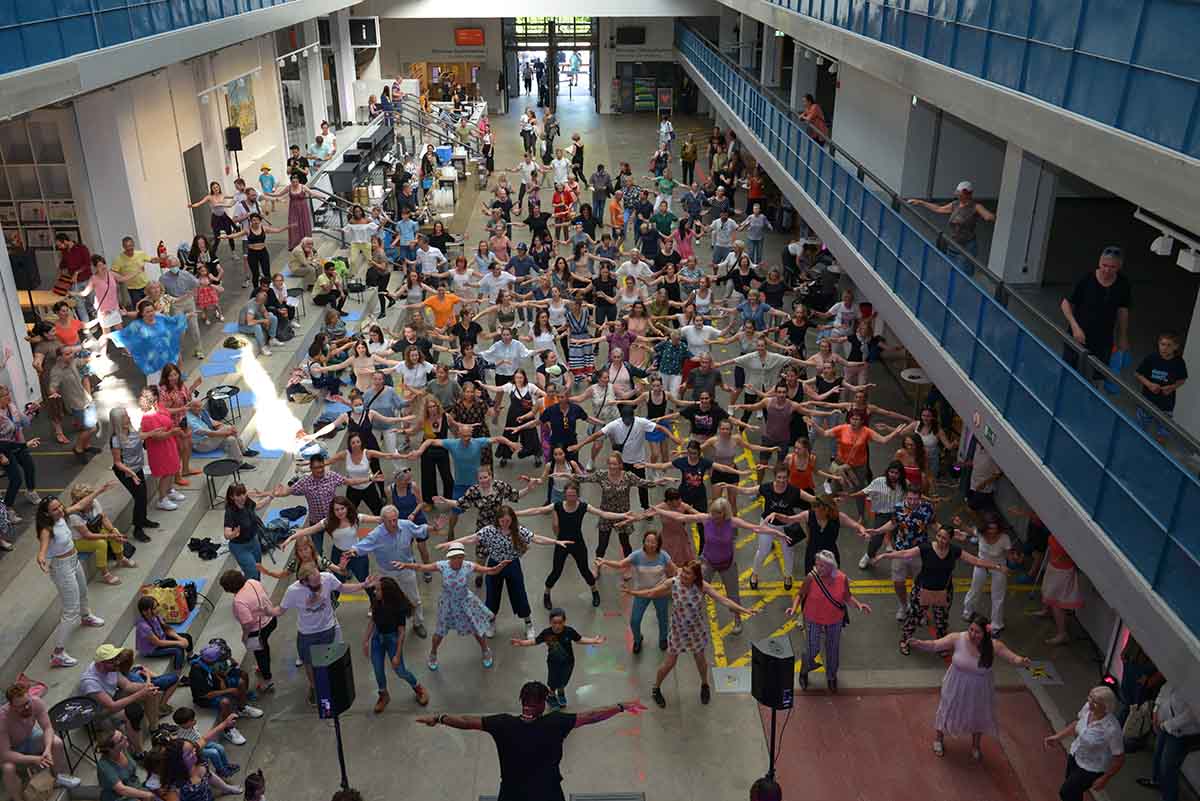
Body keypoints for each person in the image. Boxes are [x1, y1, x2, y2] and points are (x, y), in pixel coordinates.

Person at [416, 681, 639, 801]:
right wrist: (620, 706)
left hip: (512, 794)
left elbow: (466, 721)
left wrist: (438, 718)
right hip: (547, 793)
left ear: (522, 701)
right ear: (542, 704)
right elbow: (591, 716)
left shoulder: (502, 724)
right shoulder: (556, 723)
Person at [627, 559, 757, 707]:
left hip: (696, 631)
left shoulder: (702, 587)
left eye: (687, 573)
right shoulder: (674, 582)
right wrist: (633, 592)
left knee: (700, 661)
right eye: (683, 572)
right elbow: (651, 592)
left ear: (695, 576)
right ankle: (656, 688)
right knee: (669, 663)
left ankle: (705, 685)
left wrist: (744, 610)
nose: (683, 575)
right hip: (678, 631)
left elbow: (724, 600)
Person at [875, 523, 1008, 655]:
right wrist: (885, 556)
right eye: (938, 536)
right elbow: (905, 554)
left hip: (944, 592)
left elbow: (976, 561)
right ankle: (905, 640)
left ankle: (941, 645)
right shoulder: (926, 547)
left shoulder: (955, 551)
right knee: (914, 617)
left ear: (950, 539)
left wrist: (996, 567)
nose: (940, 540)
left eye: (944, 538)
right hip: (922, 590)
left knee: (941, 621)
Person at [438, 504, 563, 641]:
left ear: (512, 520)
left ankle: (528, 623)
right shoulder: (489, 531)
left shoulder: (517, 530)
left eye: (508, 521)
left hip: (512, 565)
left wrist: (556, 541)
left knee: (519, 593)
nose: (505, 524)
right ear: (497, 520)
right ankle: (491, 622)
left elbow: (535, 538)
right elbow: (471, 538)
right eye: (502, 521)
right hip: (494, 565)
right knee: (492, 595)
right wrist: (451, 544)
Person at [518, 481, 636, 609]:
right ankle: (547, 594)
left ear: (577, 495)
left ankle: (594, 591)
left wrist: (623, 515)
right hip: (561, 543)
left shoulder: (583, 507)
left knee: (584, 570)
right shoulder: (557, 506)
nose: (571, 498)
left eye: (573, 496)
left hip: (578, 543)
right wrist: (517, 514)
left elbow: (603, 514)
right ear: (564, 495)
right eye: (568, 496)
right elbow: (538, 510)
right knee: (556, 571)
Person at [392, 543, 509, 671]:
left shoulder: (468, 566)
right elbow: (421, 567)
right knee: (440, 632)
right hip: (447, 604)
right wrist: (406, 565)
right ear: (450, 557)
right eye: (455, 557)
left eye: (460, 557)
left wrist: (499, 567)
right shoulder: (443, 566)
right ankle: (433, 653)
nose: (458, 560)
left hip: (466, 602)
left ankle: (485, 650)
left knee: (476, 627)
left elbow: (490, 571)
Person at [36, 486, 113, 668]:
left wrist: (99, 490)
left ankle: (86, 616)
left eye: (60, 506)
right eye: (54, 509)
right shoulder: (46, 529)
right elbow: (43, 550)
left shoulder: (62, 516)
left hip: (73, 559)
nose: (60, 510)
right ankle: (58, 653)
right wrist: (41, 559)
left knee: (83, 591)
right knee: (70, 610)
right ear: (46, 514)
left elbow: (80, 504)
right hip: (61, 567)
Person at [279, 564, 377, 705]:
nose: (320, 585)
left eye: (320, 580)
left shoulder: (327, 578)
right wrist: (266, 612)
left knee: (330, 658)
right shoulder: (293, 591)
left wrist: (363, 585)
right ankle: (314, 687)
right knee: (309, 662)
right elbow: (280, 610)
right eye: (315, 583)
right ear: (304, 582)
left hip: (327, 628)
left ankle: (330, 683)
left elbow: (343, 588)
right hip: (307, 633)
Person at [786, 550, 871, 692]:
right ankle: (804, 670)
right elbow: (800, 595)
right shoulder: (811, 578)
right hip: (813, 618)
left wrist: (859, 605)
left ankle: (831, 676)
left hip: (834, 619)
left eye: (822, 566)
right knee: (812, 648)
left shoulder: (841, 579)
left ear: (832, 567)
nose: (817, 568)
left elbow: (847, 597)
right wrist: (793, 608)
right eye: (816, 565)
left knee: (833, 649)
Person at [596, 530, 676, 654]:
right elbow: (620, 564)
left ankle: (663, 638)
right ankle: (638, 639)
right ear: (643, 542)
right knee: (635, 620)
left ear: (658, 544)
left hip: (660, 592)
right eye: (648, 541)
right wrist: (605, 561)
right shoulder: (637, 555)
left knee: (662, 618)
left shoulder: (663, 556)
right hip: (641, 593)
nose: (650, 544)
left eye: (654, 542)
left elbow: (675, 570)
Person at [511, 608, 605, 709]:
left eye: (560, 622)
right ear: (550, 622)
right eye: (554, 623)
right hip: (553, 663)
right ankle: (551, 696)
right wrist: (522, 643)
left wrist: (593, 641)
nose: (557, 626)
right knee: (553, 682)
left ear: (564, 621)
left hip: (568, 663)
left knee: (564, 681)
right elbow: (535, 641)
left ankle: (561, 693)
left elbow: (580, 639)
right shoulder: (546, 633)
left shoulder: (569, 631)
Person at [0, 684, 82, 798]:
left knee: (56, 742)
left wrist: (47, 749)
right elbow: (5, 753)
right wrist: (34, 759)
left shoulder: (35, 702)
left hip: (30, 737)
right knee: (8, 769)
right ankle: (17, 798)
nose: (27, 707)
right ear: (12, 706)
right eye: (22, 706)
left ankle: (58, 776)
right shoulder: (2, 718)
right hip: (12, 749)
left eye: (27, 702)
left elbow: (48, 727)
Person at [1059, 245, 1131, 374]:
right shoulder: (1086, 279)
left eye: (1112, 267)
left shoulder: (1123, 284)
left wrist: (1122, 336)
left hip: (1103, 339)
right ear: (1099, 262)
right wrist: (1075, 326)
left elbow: (1122, 311)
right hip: (1079, 335)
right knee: (1069, 371)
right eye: (1104, 265)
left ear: (1119, 266)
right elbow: (1065, 303)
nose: (1107, 270)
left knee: (1095, 375)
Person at [1044, 686, 1125, 800]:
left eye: (1095, 702)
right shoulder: (1088, 708)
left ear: (1106, 706)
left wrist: (1105, 779)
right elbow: (1077, 724)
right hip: (1075, 755)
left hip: (1092, 768)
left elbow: (1119, 758)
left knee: (1066, 792)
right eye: (1090, 698)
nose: (1090, 704)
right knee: (1074, 792)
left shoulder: (1111, 729)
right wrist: (1057, 737)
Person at [364, 576, 430, 713]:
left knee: (400, 670)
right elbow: (373, 621)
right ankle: (383, 695)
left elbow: (401, 633)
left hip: (392, 639)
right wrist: (366, 640)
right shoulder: (375, 599)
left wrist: (397, 655)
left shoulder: (398, 607)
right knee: (377, 669)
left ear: (387, 592)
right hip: (377, 638)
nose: (375, 592)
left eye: (377, 590)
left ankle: (418, 688)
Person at [217, 570, 283, 694]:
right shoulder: (253, 582)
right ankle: (262, 667)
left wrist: (245, 635)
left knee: (261, 654)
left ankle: (267, 680)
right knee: (264, 646)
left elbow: (248, 623)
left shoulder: (239, 601)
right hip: (271, 620)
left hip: (257, 631)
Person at [906, 180, 995, 271]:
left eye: (959, 193)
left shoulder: (975, 206)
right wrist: (921, 202)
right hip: (954, 244)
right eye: (957, 193)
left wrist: (991, 216)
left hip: (967, 246)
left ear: (966, 194)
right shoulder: (955, 204)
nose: (957, 195)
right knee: (952, 270)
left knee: (963, 270)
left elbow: (988, 216)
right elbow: (939, 209)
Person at [1138, 681, 1199, 800]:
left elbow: (1192, 714)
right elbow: (1165, 689)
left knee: (1168, 768)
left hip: (1181, 732)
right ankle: (1157, 781)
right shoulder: (1179, 675)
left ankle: (1169, 798)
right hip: (1164, 725)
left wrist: (1167, 725)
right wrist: (1156, 711)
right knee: (1158, 754)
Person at [1134, 330, 1188, 443]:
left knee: (1163, 433)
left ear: (1176, 347)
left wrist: (1172, 388)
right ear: (1158, 344)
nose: (1165, 348)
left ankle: (1158, 450)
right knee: (1139, 429)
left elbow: (1182, 379)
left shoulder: (1179, 362)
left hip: (1166, 405)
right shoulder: (1151, 358)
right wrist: (1149, 384)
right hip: (1147, 400)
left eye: (1169, 345)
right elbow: (1138, 374)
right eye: (1162, 344)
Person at [134, 595, 193, 670]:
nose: (158, 609)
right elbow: (158, 643)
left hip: (162, 638)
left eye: (157, 605)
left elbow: (167, 630)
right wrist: (179, 642)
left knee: (187, 637)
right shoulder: (143, 627)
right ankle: (177, 672)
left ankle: (190, 656)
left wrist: (180, 638)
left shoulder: (156, 616)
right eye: (154, 608)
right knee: (178, 649)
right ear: (145, 612)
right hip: (153, 649)